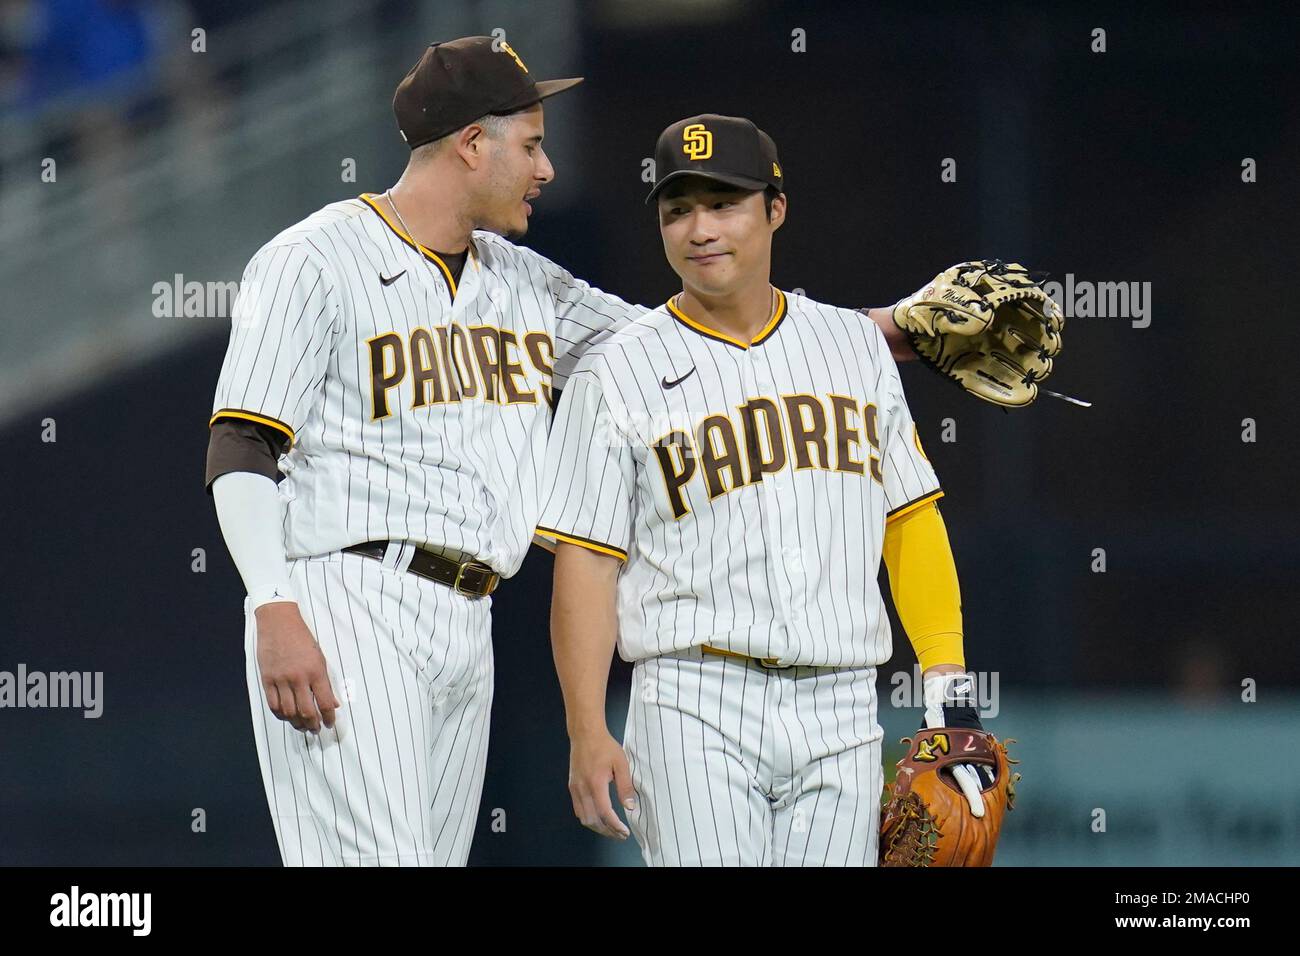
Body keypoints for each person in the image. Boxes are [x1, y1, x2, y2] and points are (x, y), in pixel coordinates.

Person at [206, 36, 968, 867]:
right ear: (472, 144)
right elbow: (241, 442)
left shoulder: (525, 283)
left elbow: (686, 348)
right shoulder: (313, 259)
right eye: (530, 145)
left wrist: (884, 332)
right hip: (345, 595)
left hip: (468, 617)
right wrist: (270, 604)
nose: (546, 170)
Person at [539, 115, 996, 866]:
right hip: (691, 699)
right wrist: (587, 728)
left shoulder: (854, 348)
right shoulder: (615, 369)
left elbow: (909, 519)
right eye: (678, 209)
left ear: (775, 209)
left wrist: (946, 679)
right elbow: (586, 562)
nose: (699, 228)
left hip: (842, 704)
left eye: (723, 204)